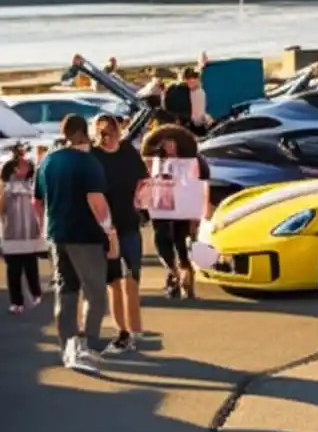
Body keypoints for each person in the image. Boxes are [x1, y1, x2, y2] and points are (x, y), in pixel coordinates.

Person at [34, 115, 116, 374]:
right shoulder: (87, 162)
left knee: (66, 291)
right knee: (94, 293)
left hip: (57, 235)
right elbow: (96, 202)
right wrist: (109, 231)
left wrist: (45, 229)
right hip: (86, 236)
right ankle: (87, 347)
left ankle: (67, 346)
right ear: (83, 132)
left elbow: (37, 202)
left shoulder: (47, 161)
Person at [91, 115, 149, 354]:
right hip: (105, 227)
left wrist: (140, 199)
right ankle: (122, 332)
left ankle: (134, 331)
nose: (106, 136)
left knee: (132, 278)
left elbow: (144, 178)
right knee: (114, 282)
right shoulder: (94, 157)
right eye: (101, 132)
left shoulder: (128, 152)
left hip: (128, 223)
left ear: (117, 131)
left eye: (110, 131)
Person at [141, 125, 210, 300]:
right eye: (166, 143)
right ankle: (172, 272)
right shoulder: (154, 162)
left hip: (185, 209)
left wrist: (200, 211)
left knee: (183, 244)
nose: (170, 147)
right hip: (162, 207)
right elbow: (144, 182)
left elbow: (202, 186)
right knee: (162, 240)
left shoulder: (195, 161)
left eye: (173, 143)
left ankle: (186, 280)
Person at [1, 144, 44, 315]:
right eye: (21, 164)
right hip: (12, 233)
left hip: (30, 233)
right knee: (14, 271)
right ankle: (16, 302)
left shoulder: (33, 184)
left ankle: (36, 293)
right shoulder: (5, 186)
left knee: (31, 266)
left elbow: (41, 201)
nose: (25, 166)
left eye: (26, 164)